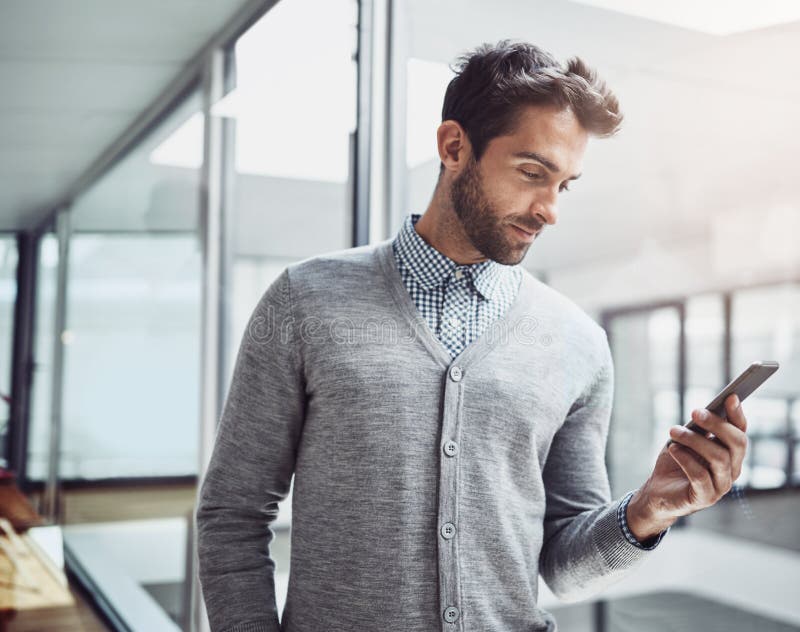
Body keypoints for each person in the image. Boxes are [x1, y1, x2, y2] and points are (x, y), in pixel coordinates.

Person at [196, 39, 749, 632]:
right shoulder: (307, 301)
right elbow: (232, 515)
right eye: (532, 173)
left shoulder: (578, 344)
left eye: (563, 185)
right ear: (454, 146)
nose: (549, 210)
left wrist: (649, 510)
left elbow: (565, 568)